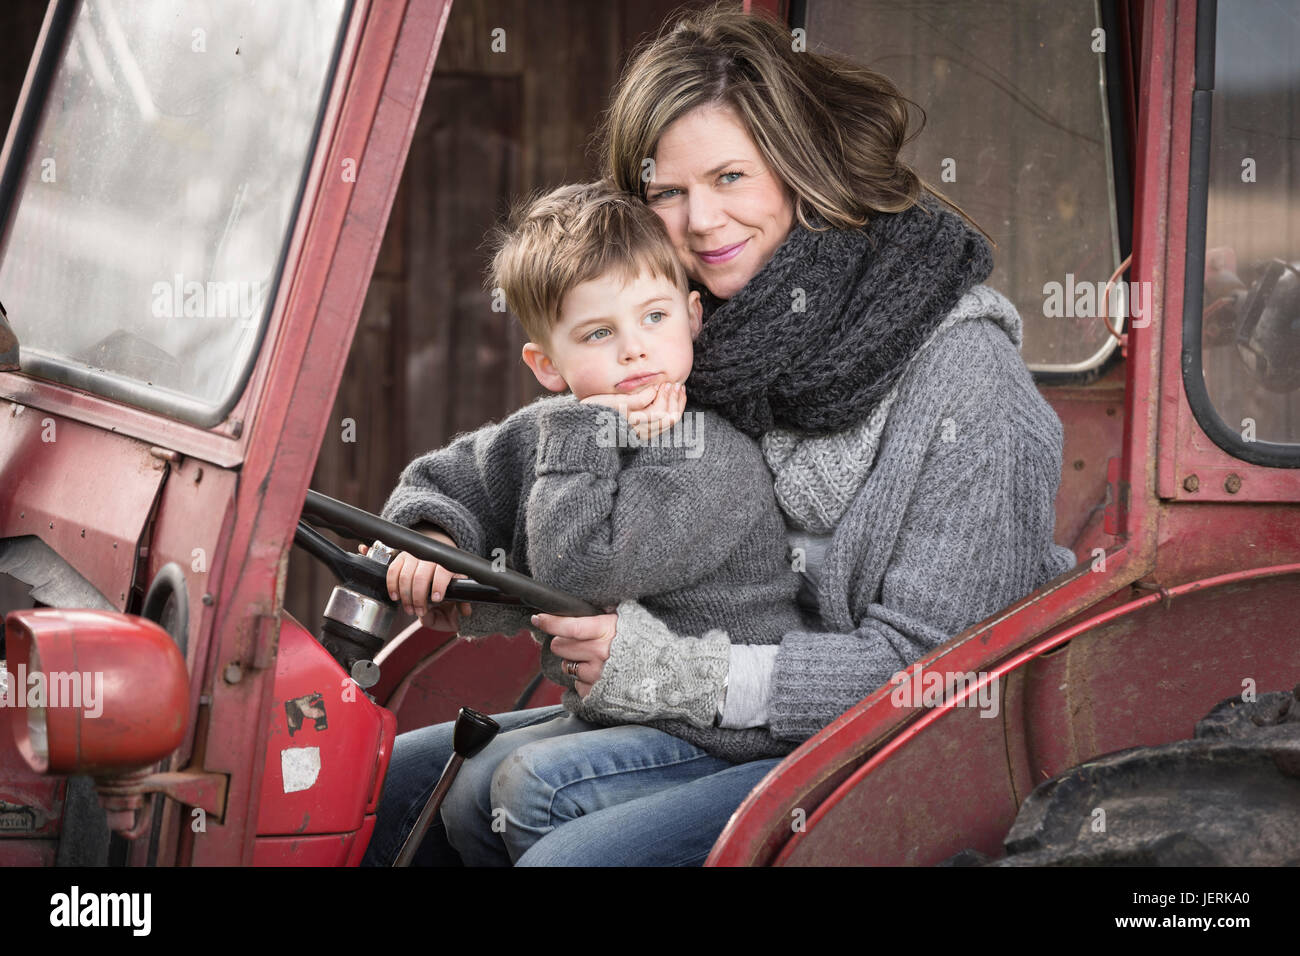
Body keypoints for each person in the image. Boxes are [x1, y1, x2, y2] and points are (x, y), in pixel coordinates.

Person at [365, 2, 1078, 868]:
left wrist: (674, 672)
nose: (700, 222)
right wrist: (440, 531)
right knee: (388, 784)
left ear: (796, 167)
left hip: (875, 746)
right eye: (666, 190)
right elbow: (528, 449)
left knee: (560, 850)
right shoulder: (694, 332)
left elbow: (934, 673)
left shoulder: (968, 385)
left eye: (731, 178)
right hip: (690, 719)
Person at [363, 178, 808, 866]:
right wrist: (433, 537)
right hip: (614, 713)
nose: (634, 350)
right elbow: (450, 480)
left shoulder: (708, 454)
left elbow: (582, 567)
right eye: (600, 333)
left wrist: (582, 430)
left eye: (654, 318)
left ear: (694, 318)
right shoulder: (560, 429)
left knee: (526, 788)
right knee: (442, 783)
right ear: (547, 364)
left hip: (719, 731)